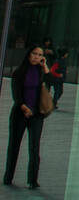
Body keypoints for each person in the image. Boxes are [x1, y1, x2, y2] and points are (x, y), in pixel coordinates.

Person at [4, 45, 52, 189]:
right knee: (14, 146)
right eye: (34, 54)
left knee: (34, 147)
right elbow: (16, 95)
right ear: (29, 55)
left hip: (36, 115)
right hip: (20, 114)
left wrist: (45, 68)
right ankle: (8, 177)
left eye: (39, 55)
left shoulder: (41, 72)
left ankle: (32, 180)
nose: (36, 57)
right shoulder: (19, 72)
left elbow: (50, 85)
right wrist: (24, 107)